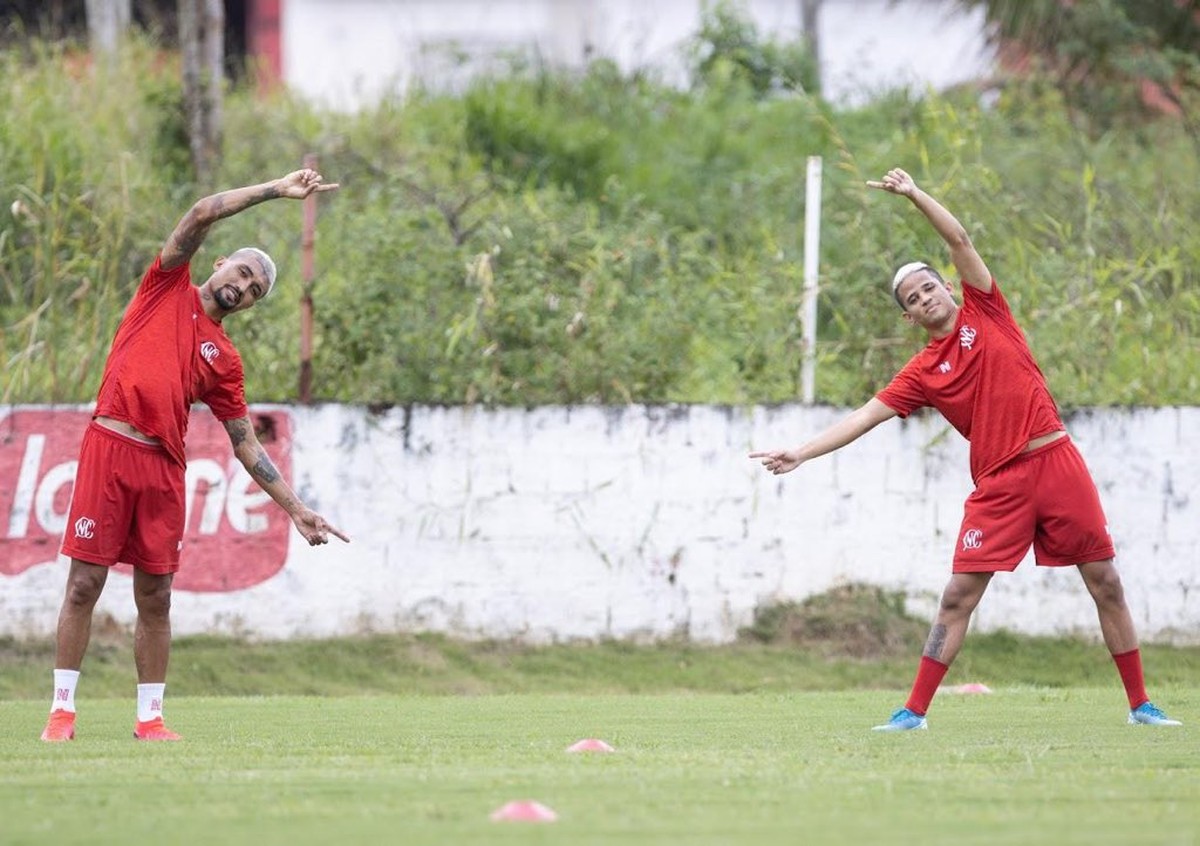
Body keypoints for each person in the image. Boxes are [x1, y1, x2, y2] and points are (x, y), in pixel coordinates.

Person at [749, 167, 1181, 731]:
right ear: (908, 316)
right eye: (913, 298)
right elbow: (865, 416)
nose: (925, 297)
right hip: (999, 485)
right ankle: (913, 713)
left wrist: (913, 195)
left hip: (1056, 464)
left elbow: (959, 240)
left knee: (1106, 583)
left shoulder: (987, 311)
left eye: (929, 286)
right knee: (956, 597)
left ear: (947, 288)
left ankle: (1141, 706)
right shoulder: (923, 372)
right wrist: (803, 451)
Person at [41, 169, 350, 743]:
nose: (245, 285)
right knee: (84, 585)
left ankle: (151, 720)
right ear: (219, 264)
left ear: (253, 305)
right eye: (243, 271)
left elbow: (245, 442)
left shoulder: (224, 359)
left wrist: (295, 508)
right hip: (109, 449)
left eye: (256, 288)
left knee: (155, 596)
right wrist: (277, 189)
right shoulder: (164, 285)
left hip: (163, 469)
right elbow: (202, 211)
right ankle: (62, 713)